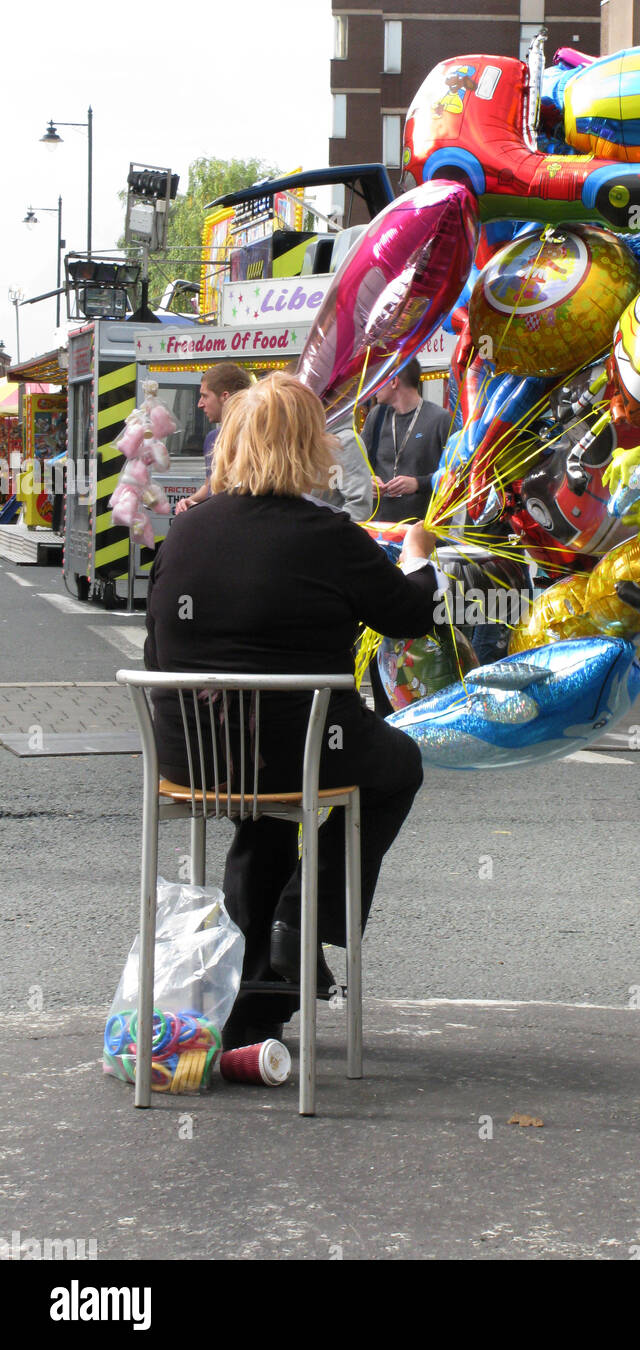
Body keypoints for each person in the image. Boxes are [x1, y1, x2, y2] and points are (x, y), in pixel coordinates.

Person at [145, 372, 441, 1048]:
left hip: (193, 752)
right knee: (399, 765)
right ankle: (302, 921)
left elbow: (158, 648)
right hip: (300, 744)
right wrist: (420, 559)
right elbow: (409, 619)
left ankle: (257, 1004)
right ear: (311, 448)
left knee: (267, 820)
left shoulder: (185, 534)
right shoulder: (328, 535)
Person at [360, 359, 454, 524]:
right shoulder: (376, 416)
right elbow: (358, 464)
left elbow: (456, 474)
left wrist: (419, 483)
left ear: (394, 382)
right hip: (381, 527)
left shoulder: (441, 419)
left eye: (379, 379)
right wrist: (368, 481)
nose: (374, 387)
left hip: (423, 529)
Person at [174, 363, 253, 514]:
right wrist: (192, 501)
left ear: (225, 397)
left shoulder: (254, 438)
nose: (199, 404)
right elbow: (210, 485)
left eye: (204, 396)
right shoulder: (212, 438)